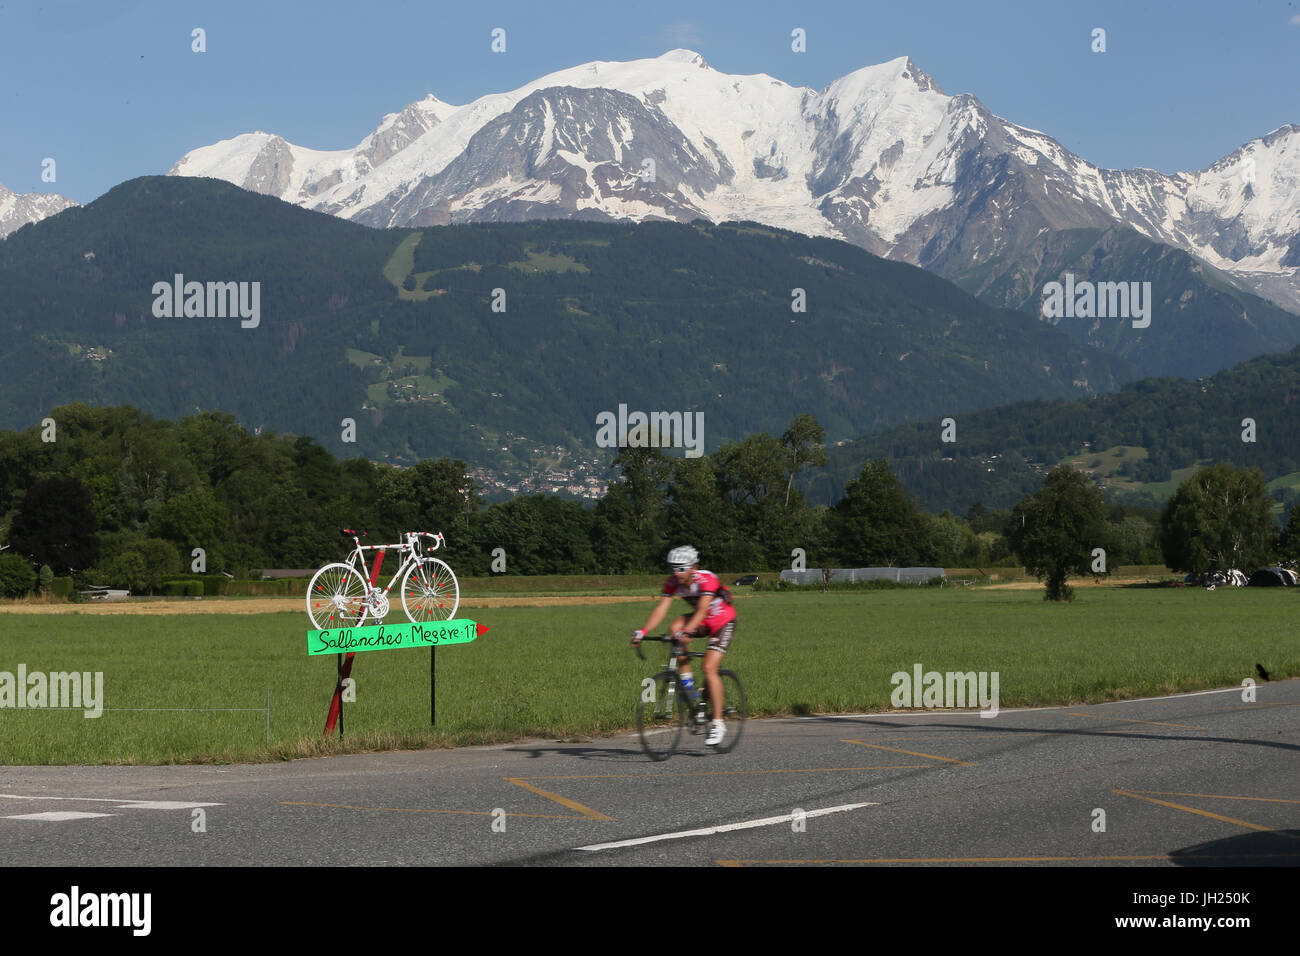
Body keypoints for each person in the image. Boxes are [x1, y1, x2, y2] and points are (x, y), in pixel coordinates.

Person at [631, 545, 736, 746]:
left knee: (709, 667)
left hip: (722, 622)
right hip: (703, 622)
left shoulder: (707, 579)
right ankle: (689, 685)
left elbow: (703, 609)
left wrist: (687, 632)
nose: (676, 573)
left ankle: (718, 723)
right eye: (673, 568)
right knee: (674, 627)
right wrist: (643, 631)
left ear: (693, 568)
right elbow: (662, 608)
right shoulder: (672, 583)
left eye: (681, 568)